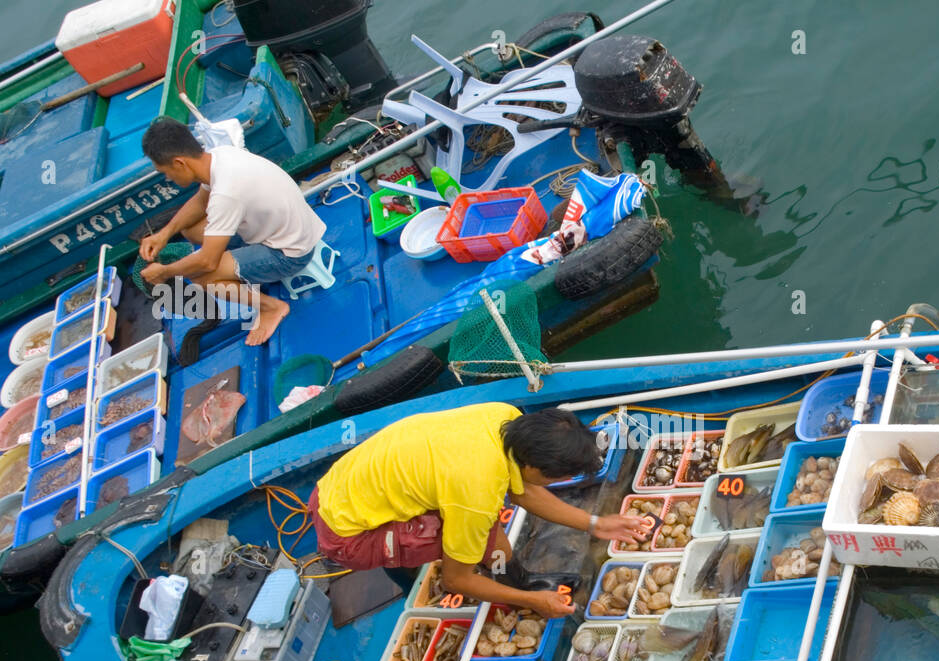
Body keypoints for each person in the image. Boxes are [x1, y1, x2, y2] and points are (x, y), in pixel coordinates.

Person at [309, 403, 647, 619]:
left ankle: (515, 578)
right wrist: (532, 603)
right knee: (474, 532)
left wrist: (595, 523)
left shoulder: (506, 417)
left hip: (337, 486)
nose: (567, 480)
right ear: (534, 466)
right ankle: (413, 575)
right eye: (562, 477)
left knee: (484, 531)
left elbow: (524, 488)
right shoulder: (476, 492)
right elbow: (457, 580)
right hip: (347, 534)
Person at [136, 117, 327, 346]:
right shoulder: (220, 156)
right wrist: (163, 235)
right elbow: (199, 203)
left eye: (166, 172)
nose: (169, 178)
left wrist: (164, 272)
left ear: (180, 163)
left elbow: (206, 262)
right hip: (284, 228)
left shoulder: (226, 194)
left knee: (202, 277)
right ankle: (240, 269)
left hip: (289, 253)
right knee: (191, 229)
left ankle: (271, 307)